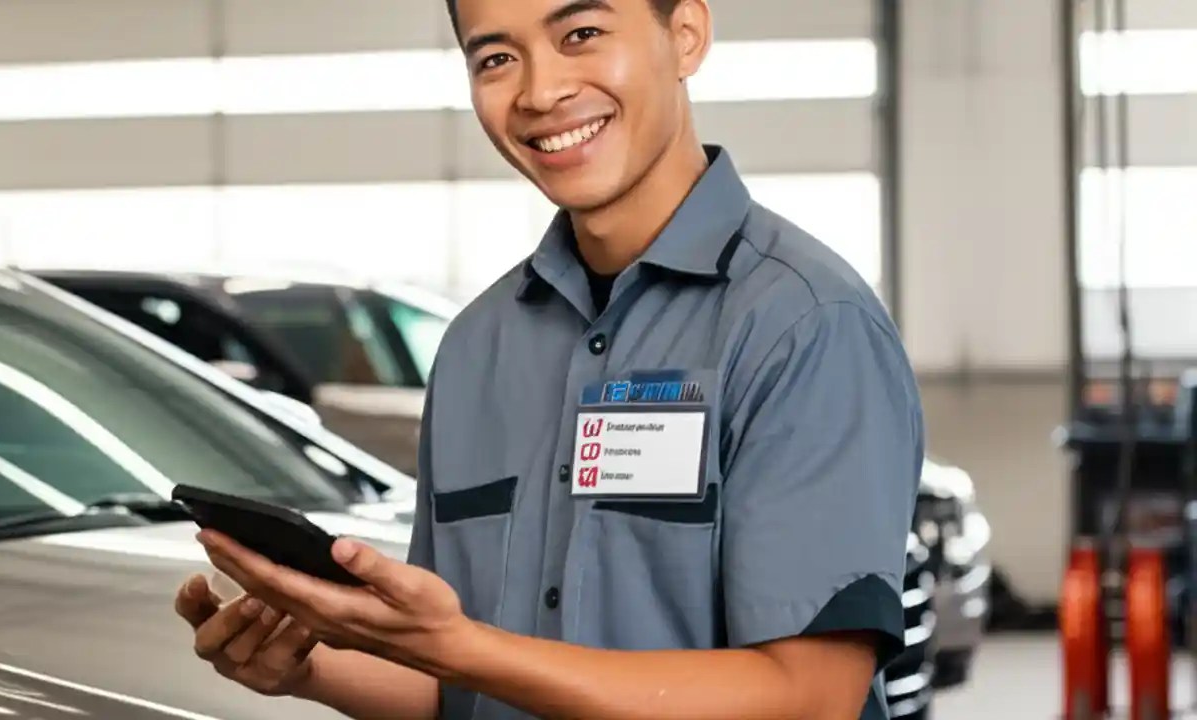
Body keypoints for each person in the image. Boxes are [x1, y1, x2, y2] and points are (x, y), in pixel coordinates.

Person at [174, 0, 924, 717]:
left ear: (686, 35)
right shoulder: (476, 348)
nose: (539, 92)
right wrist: (310, 668)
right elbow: (451, 684)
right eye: (497, 58)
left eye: (581, 34)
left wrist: (466, 651)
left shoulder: (805, 325)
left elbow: (810, 698)